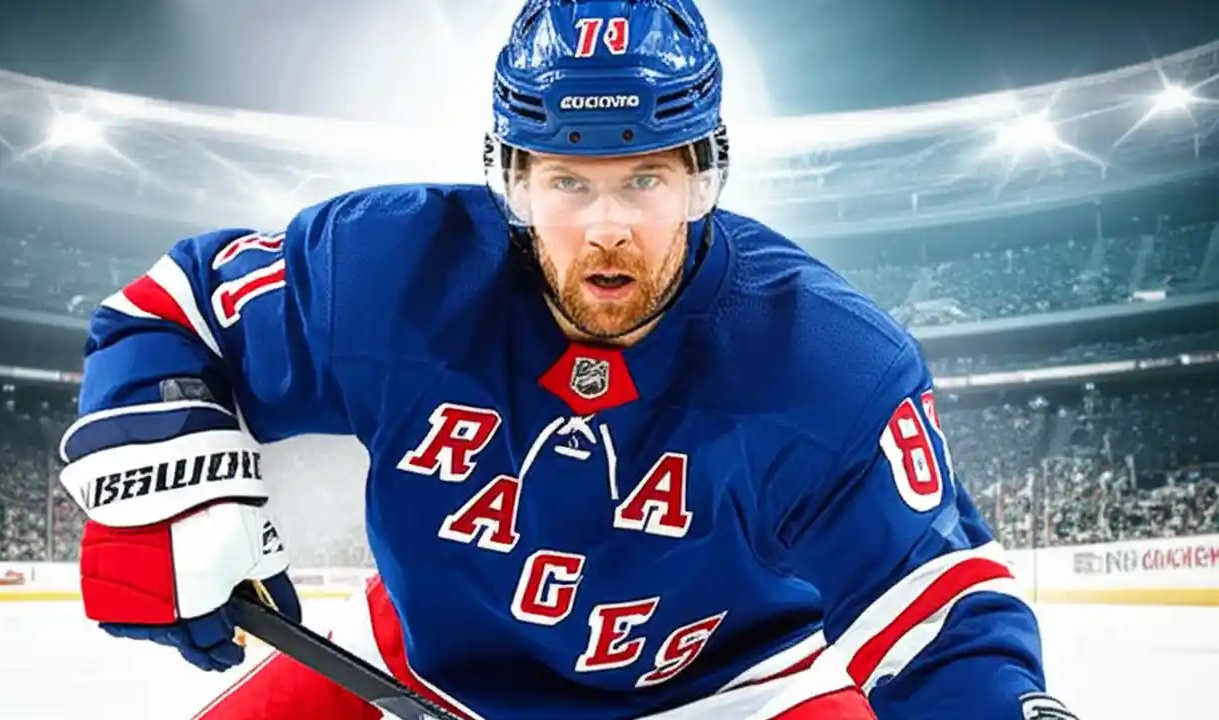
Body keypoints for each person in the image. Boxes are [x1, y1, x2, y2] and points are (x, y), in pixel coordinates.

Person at [57, 1, 1075, 718]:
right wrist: (165, 486)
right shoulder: (387, 272)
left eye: (642, 179)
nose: (605, 229)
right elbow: (169, 311)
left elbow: (936, 616)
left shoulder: (825, 362)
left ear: (703, 174)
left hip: (735, 692)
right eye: (566, 182)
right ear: (509, 177)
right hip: (419, 667)